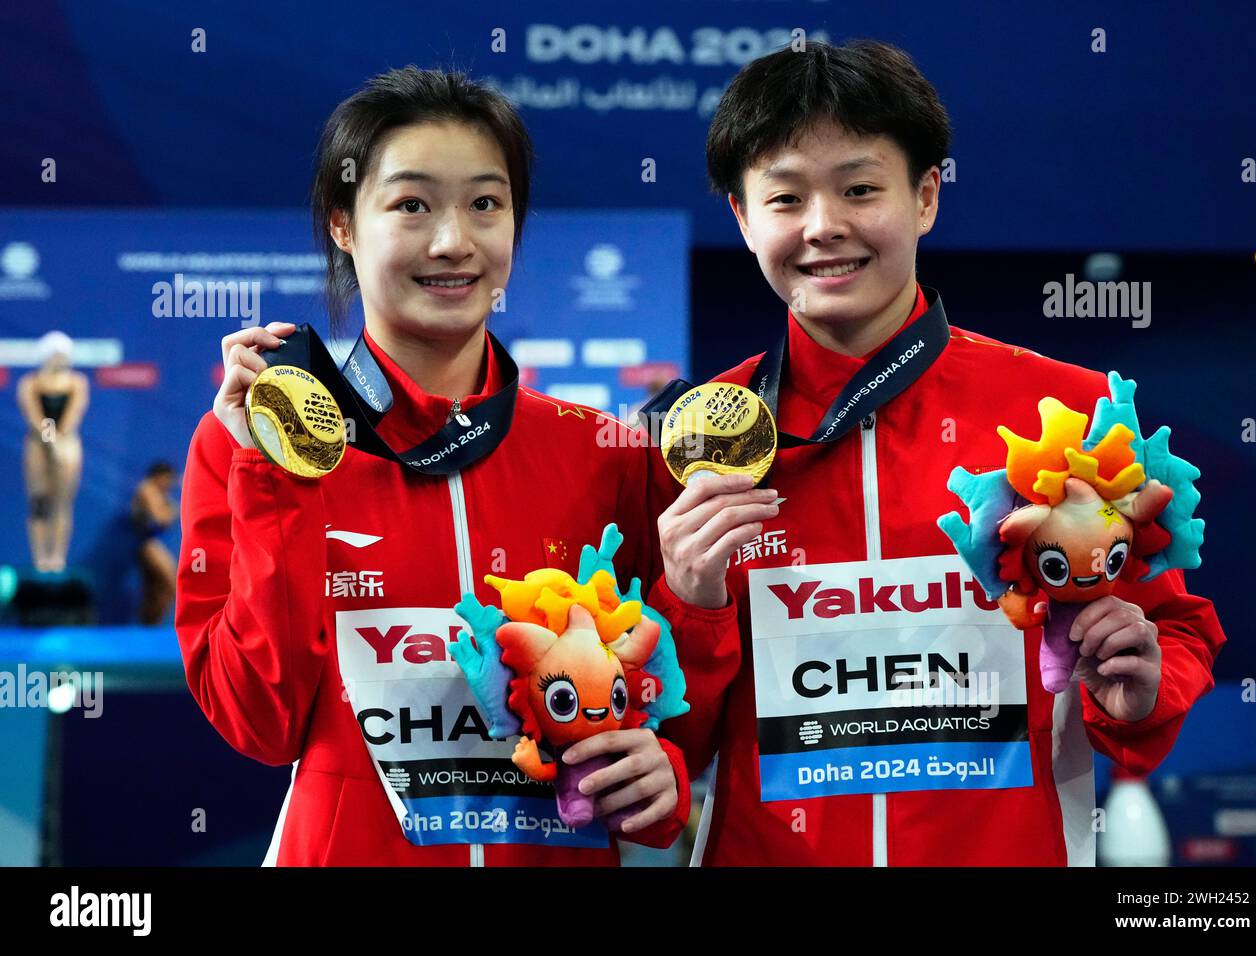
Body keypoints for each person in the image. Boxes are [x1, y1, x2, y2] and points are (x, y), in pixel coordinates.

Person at [654, 40, 1226, 866]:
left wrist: (1138, 690)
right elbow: (671, 736)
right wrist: (693, 604)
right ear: (743, 220)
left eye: (859, 188)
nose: (824, 227)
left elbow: (1174, 628)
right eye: (785, 198)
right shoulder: (699, 442)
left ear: (925, 196)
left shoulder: (1068, 412)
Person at [175, 67, 748, 866]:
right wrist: (278, 476)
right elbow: (258, 723)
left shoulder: (600, 451)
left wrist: (664, 770)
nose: (454, 241)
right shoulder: (247, 450)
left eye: (486, 203)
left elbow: (675, 716)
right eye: (411, 205)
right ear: (343, 224)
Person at [16, 330, 88, 573]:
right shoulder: (31, 383)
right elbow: (35, 416)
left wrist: (59, 441)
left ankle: (57, 557)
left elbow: (72, 416)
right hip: (38, 444)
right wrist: (50, 441)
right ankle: (40, 558)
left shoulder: (77, 382)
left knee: (62, 503)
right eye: (55, 354)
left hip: (67, 444)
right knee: (39, 502)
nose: (60, 359)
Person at [132, 461, 178, 624]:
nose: (170, 484)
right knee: (171, 585)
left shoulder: (154, 492)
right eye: (168, 479)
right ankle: (151, 625)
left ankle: (150, 625)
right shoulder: (148, 489)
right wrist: (172, 510)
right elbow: (161, 518)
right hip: (146, 545)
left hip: (149, 543)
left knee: (154, 589)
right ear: (161, 477)